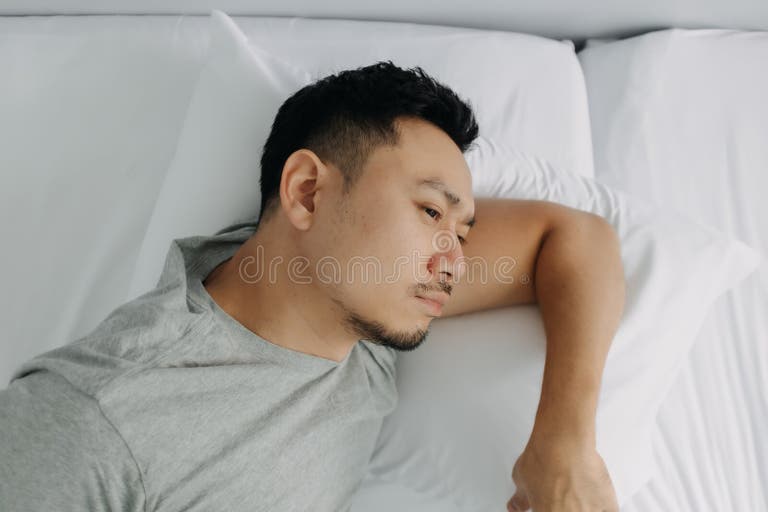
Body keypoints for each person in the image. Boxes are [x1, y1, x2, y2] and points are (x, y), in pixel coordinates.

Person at [0, 61, 624, 512]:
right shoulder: (96, 417)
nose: (455, 263)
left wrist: (562, 446)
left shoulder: (366, 310)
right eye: (432, 213)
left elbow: (576, 240)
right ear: (308, 192)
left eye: (463, 233)